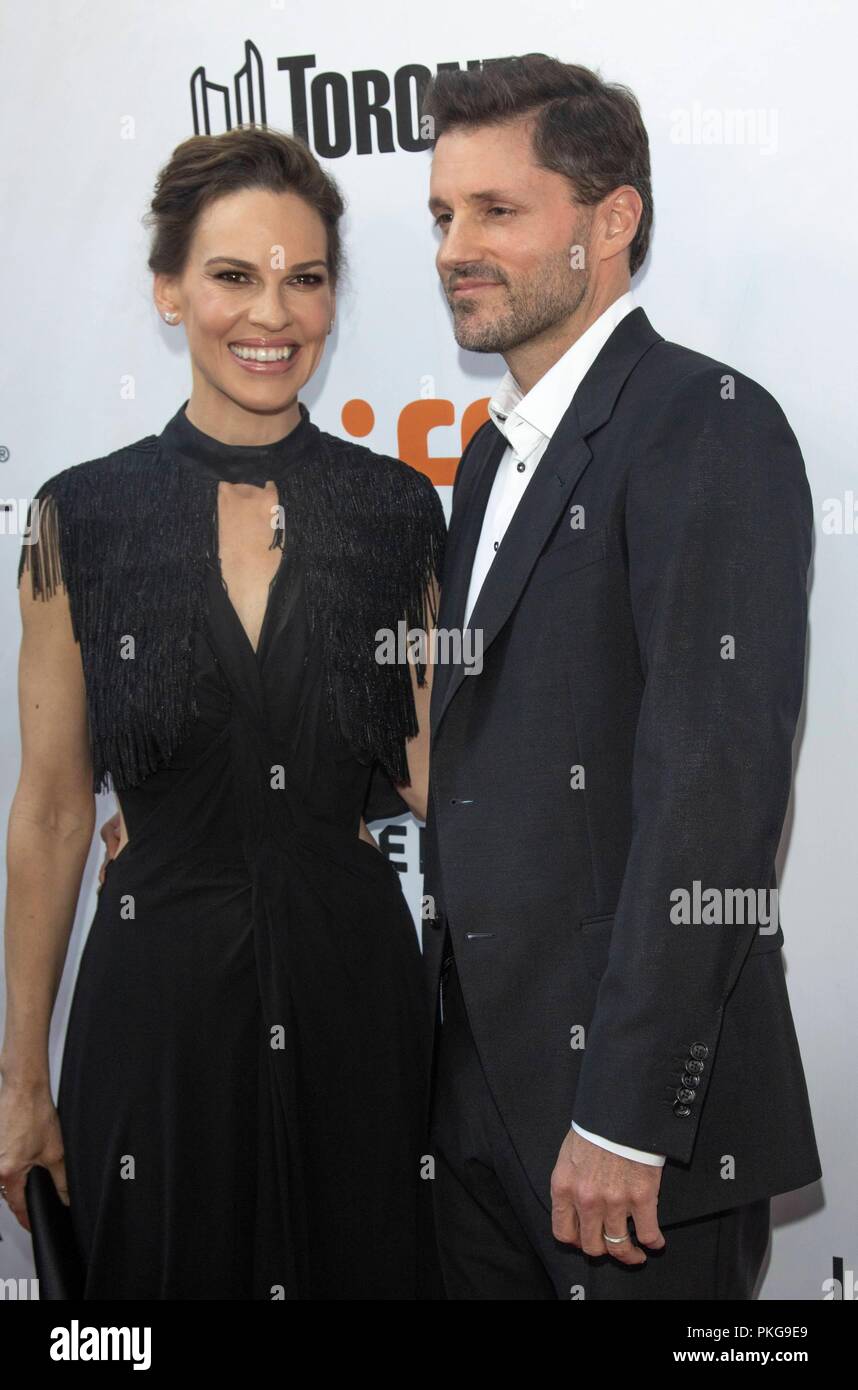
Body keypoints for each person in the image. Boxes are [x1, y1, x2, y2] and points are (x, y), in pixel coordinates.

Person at [0, 124, 446, 1300]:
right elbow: (51, 810)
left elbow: (436, 776)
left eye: (304, 278)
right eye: (234, 275)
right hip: (160, 1012)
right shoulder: (80, 517)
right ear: (169, 292)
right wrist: (19, 1078)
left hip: (354, 996)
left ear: (333, 299)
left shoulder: (396, 510)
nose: (274, 313)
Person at [420, 54, 822, 1299]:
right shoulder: (491, 462)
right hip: (477, 1098)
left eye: (497, 210)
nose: (454, 248)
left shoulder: (707, 422)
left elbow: (714, 791)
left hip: (627, 1132)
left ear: (611, 220)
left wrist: (630, 1113)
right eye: (441, 215)